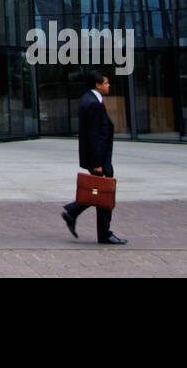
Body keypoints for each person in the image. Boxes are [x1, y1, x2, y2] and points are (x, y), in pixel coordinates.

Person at [61, 72, 125, 245]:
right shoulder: (93, 103)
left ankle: (73, 212)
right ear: (98, 85)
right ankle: (104, 233)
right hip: (98, 160)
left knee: (98, 192)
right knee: (104, 193)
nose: (109, 85)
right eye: (106, 82)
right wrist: (98, 162)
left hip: (101, 157)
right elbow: (94, 135)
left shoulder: (88, 99)